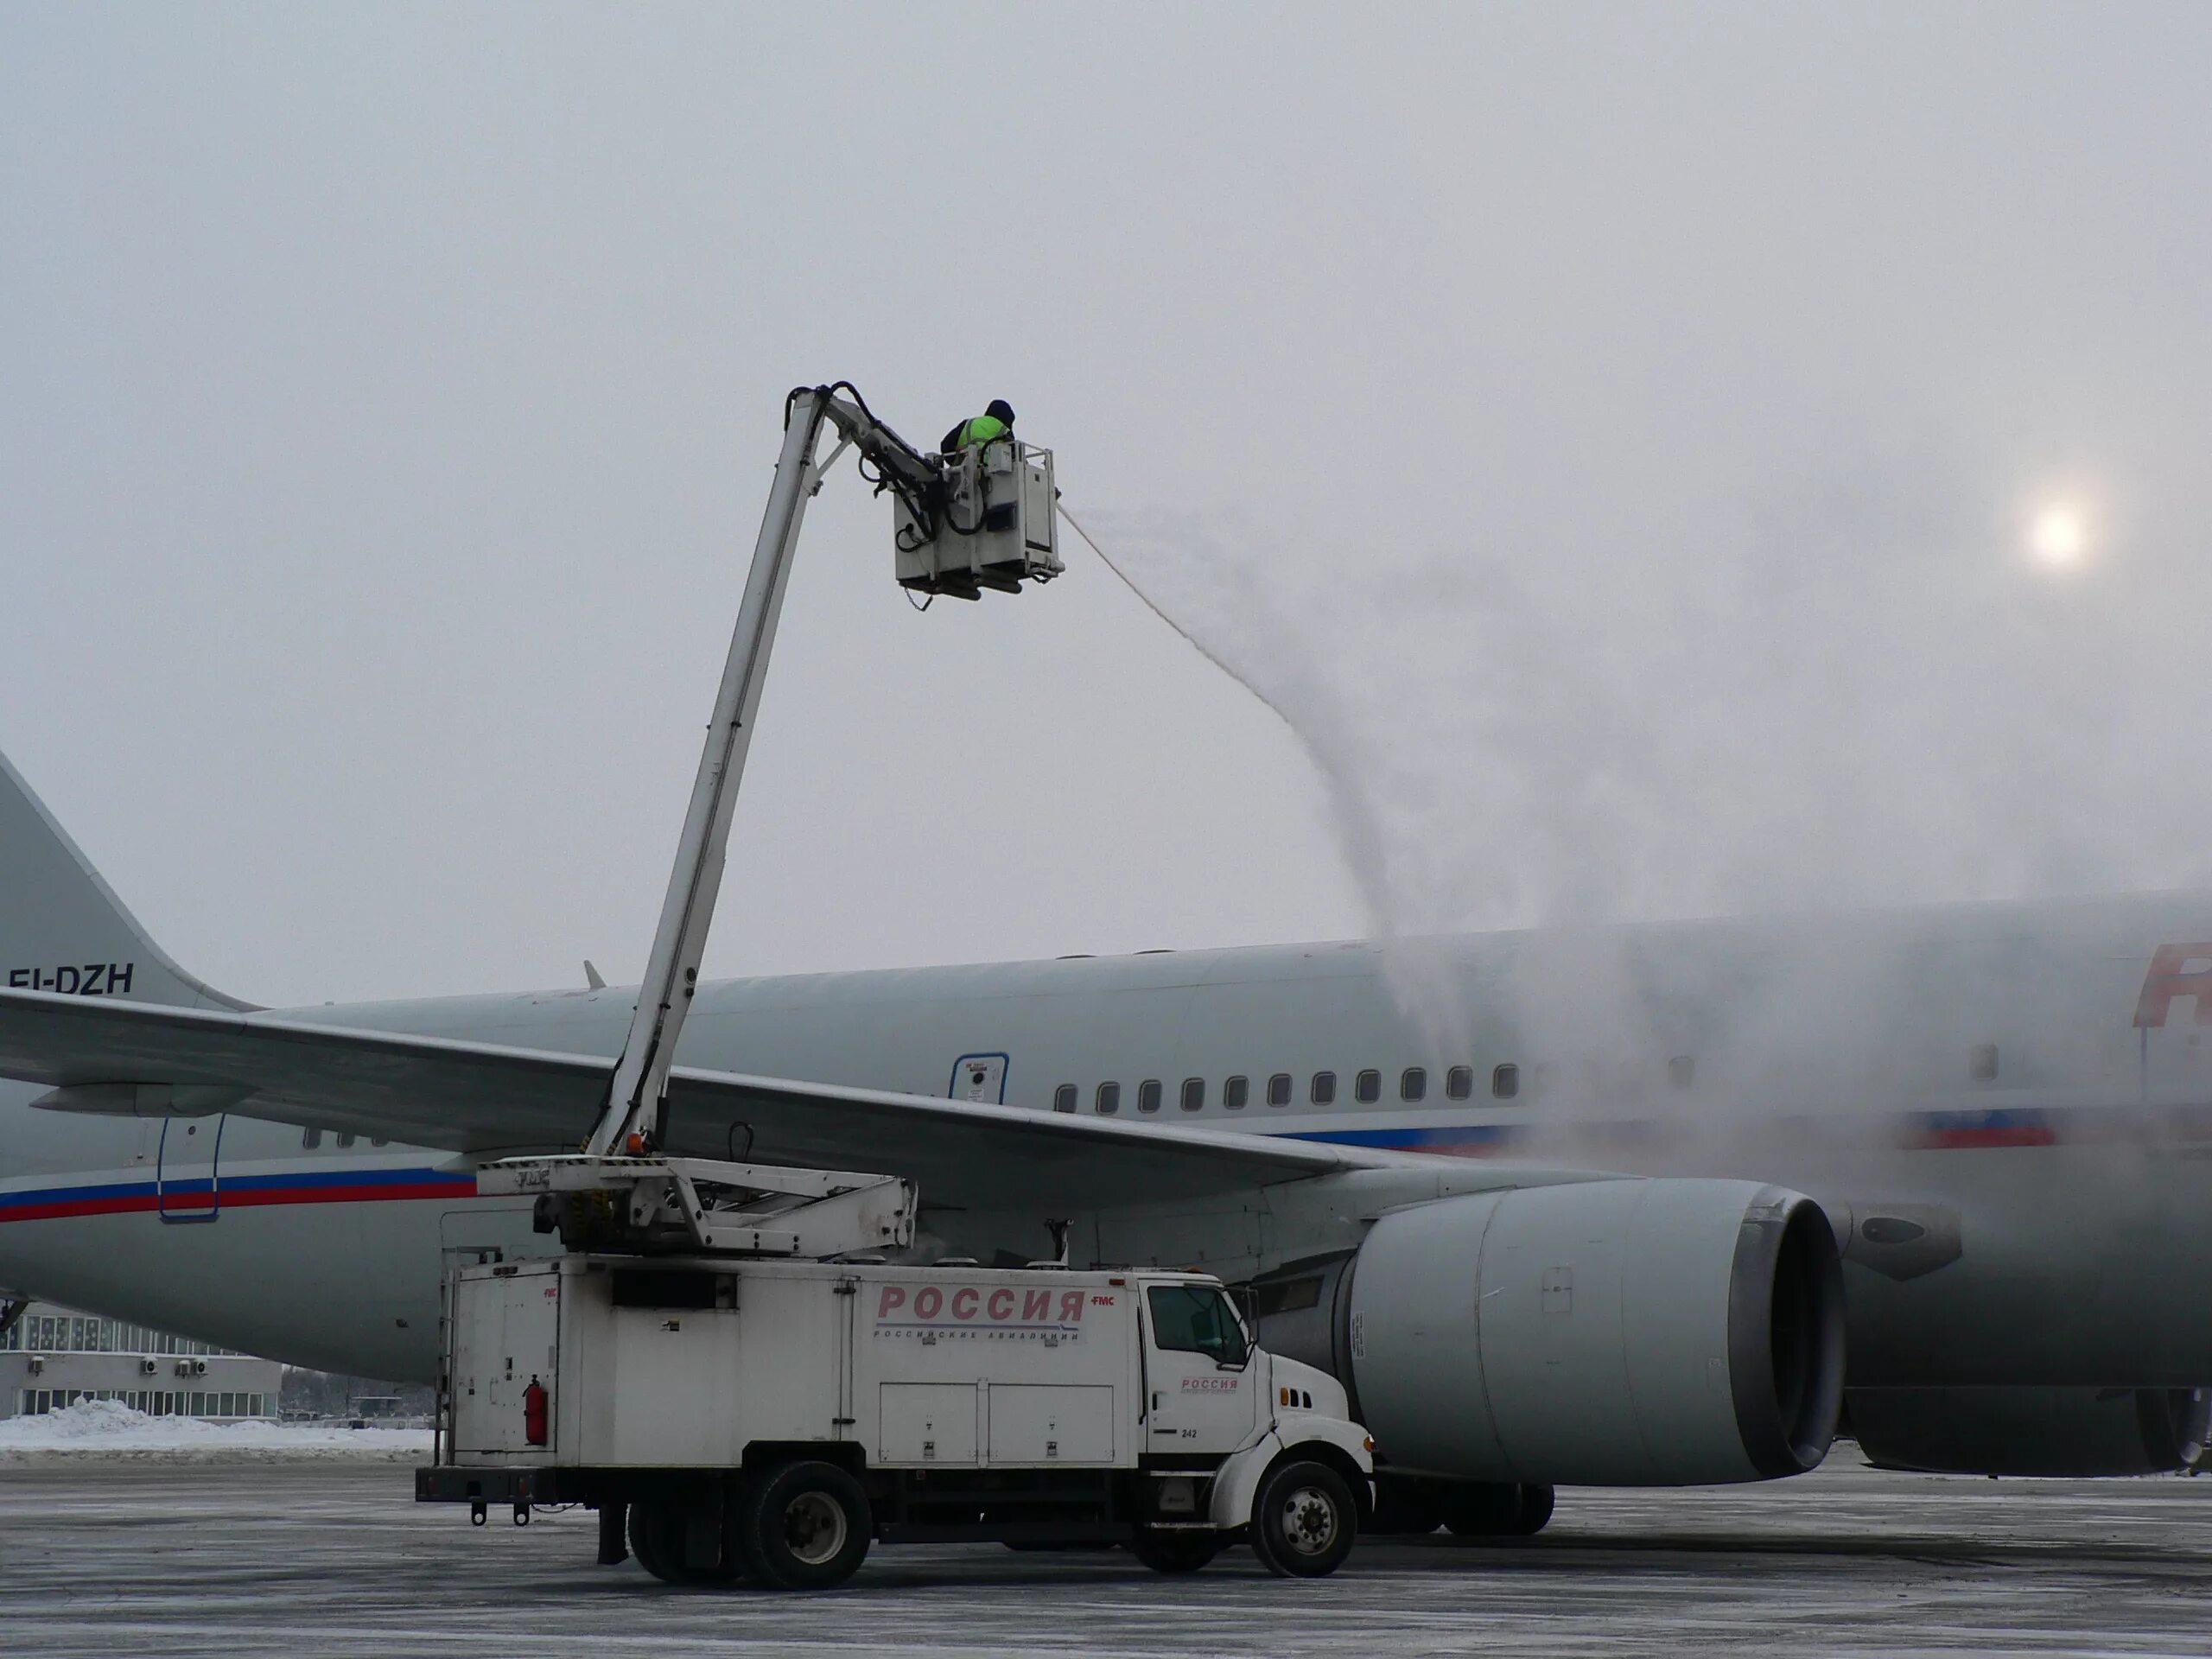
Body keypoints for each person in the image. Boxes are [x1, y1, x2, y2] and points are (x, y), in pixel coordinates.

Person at [940, 398, 1016, 457]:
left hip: (965, 466)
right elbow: (1015, 454)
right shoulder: (1005, 429)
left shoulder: (968, 423)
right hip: (992, 470)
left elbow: (945, 446)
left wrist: (957, 452)